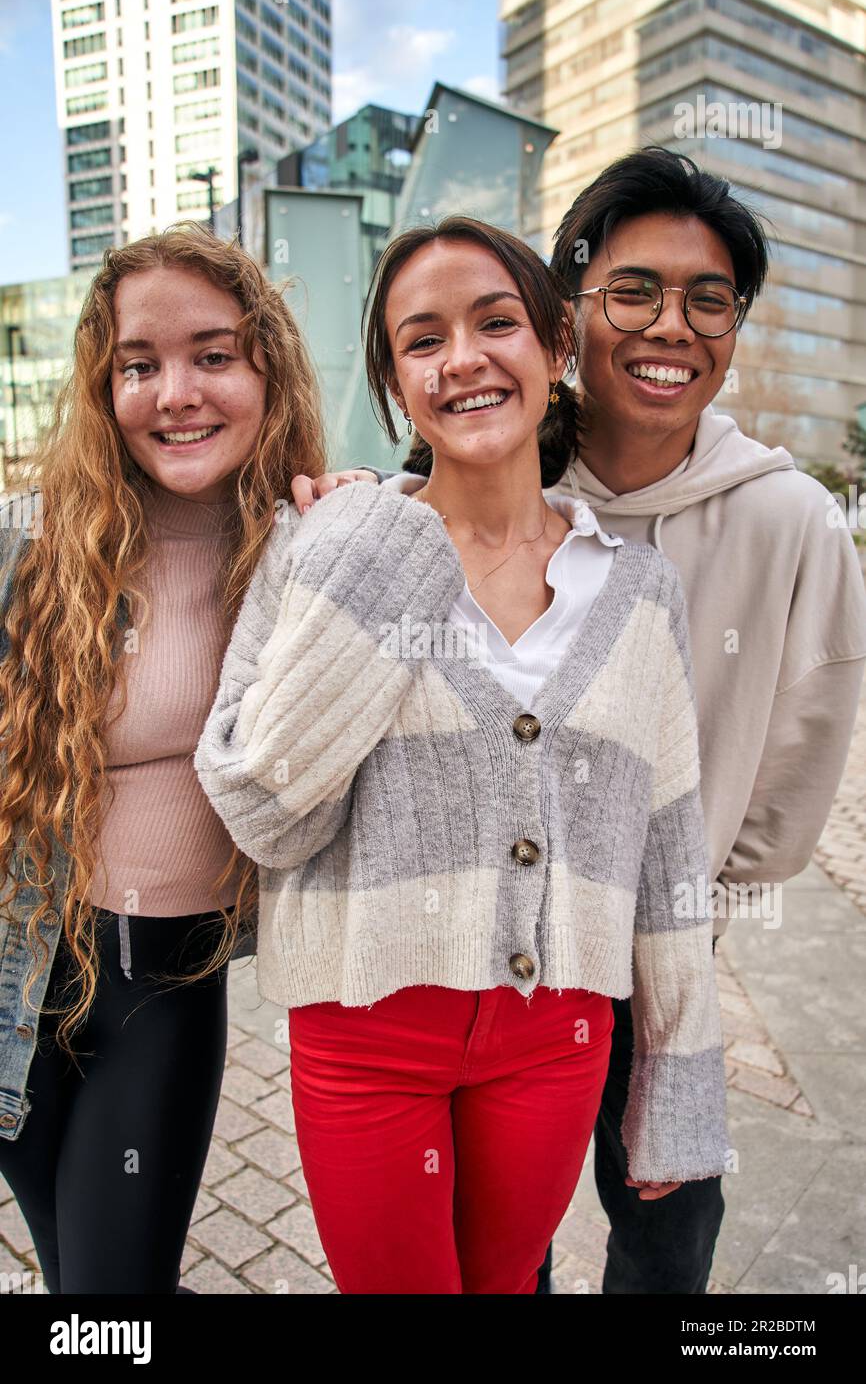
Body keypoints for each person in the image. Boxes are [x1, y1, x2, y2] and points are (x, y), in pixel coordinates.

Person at [301, 148, 866, 1293]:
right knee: (508, 1254)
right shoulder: (472, 464)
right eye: (631, 292)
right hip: (469, 970)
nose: (670, 327)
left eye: (707, 300)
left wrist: (678, 903)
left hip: (653, 957)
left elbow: (793, 784)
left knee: (665, 1237)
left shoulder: (792, 523)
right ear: (569, 315)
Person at [194, 213, 730, 1295]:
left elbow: (667, 847)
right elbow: (258, 804)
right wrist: (381, 555)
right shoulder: (331, 545)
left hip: (558, 1035)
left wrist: (675, 1079)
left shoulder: (633, 589)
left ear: (551, 348)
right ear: (396, 387)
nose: (464, 359)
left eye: (496, 322)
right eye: (421, 338)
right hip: (365, 1031)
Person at [0, 221, 328, 1293]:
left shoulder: (313, 544)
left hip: (161, 979)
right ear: (105, 387)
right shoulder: (37, 547)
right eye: (139, 365)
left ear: (265, 367)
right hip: (18, 956)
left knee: (110, 1297)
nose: (175, 390)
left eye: (212, 354)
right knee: (78, 1285)